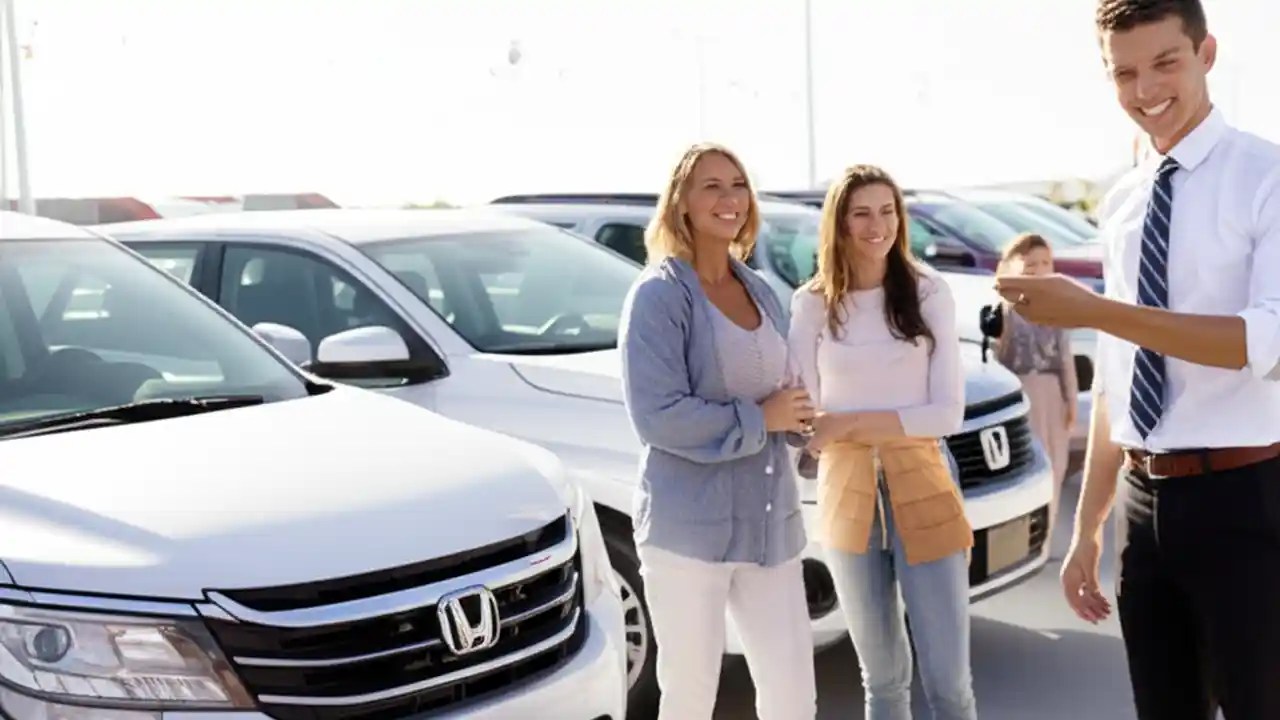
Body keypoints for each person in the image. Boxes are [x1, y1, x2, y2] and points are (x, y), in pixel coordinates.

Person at [994, 1, 1280, 717]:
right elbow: (1119, 385)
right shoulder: (1122, 201)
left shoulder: (1266, 176)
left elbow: (1263, 343)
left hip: (1246, 500)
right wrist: (1088, 528)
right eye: (1124, 72)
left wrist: (1091, 311)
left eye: (1165, 63)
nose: (1145, 89)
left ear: (1207, 53)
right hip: (1142, 507)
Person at [617, 142, 818, 720]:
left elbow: (783, 393)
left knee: (792, 697)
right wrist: (764, 419)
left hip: (768, 528)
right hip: (688, 533)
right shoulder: (658, 296)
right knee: (690, 697)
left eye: (737, 185)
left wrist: (805, 425)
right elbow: (657, 416)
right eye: (711, 185)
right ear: (681, 201)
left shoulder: (760, 291)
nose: (729, 198)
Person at [789, 163, 976, 720]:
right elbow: (805, 418)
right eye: (862, 214)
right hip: (846, 494)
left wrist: (845, 425)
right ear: (840, 224)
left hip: (923, 480)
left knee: (950, 685)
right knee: (883, 681)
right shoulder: (812, 304)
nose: (878, 226)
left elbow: (945, 414)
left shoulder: (928, 291)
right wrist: (836, 427)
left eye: (888, 211)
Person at [993, 233, 1078, 541]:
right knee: (1026, 465)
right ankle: (1021, 535)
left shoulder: (1058, 307)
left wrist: (1071, 400)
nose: (1039, 269)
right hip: (1021, 393)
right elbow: (998, 356)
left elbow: (1065, 359)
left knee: (1055, 463)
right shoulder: (1006, 309)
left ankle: (1046, 532)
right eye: (1030, 264)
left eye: (1045, 263)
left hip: (1051, 393)